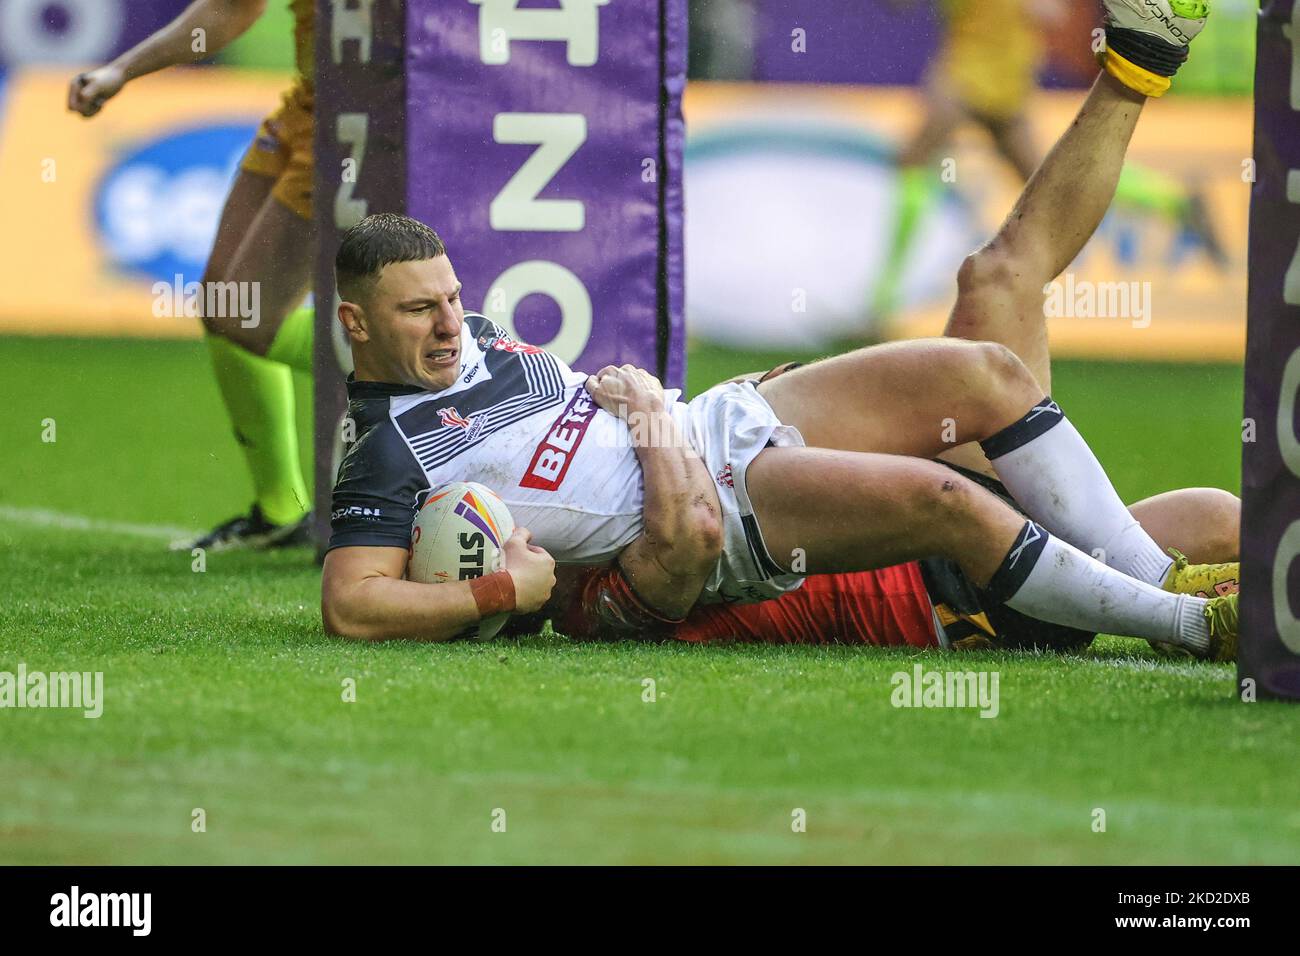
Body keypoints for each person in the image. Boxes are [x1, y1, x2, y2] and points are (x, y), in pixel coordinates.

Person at [69, 0, 320, 551]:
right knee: (225, 303)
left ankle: (421, 368)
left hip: (364, 120)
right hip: (307, 106)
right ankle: (280, 511)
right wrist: (122, 71)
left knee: (241, 311)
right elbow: (232, 9)